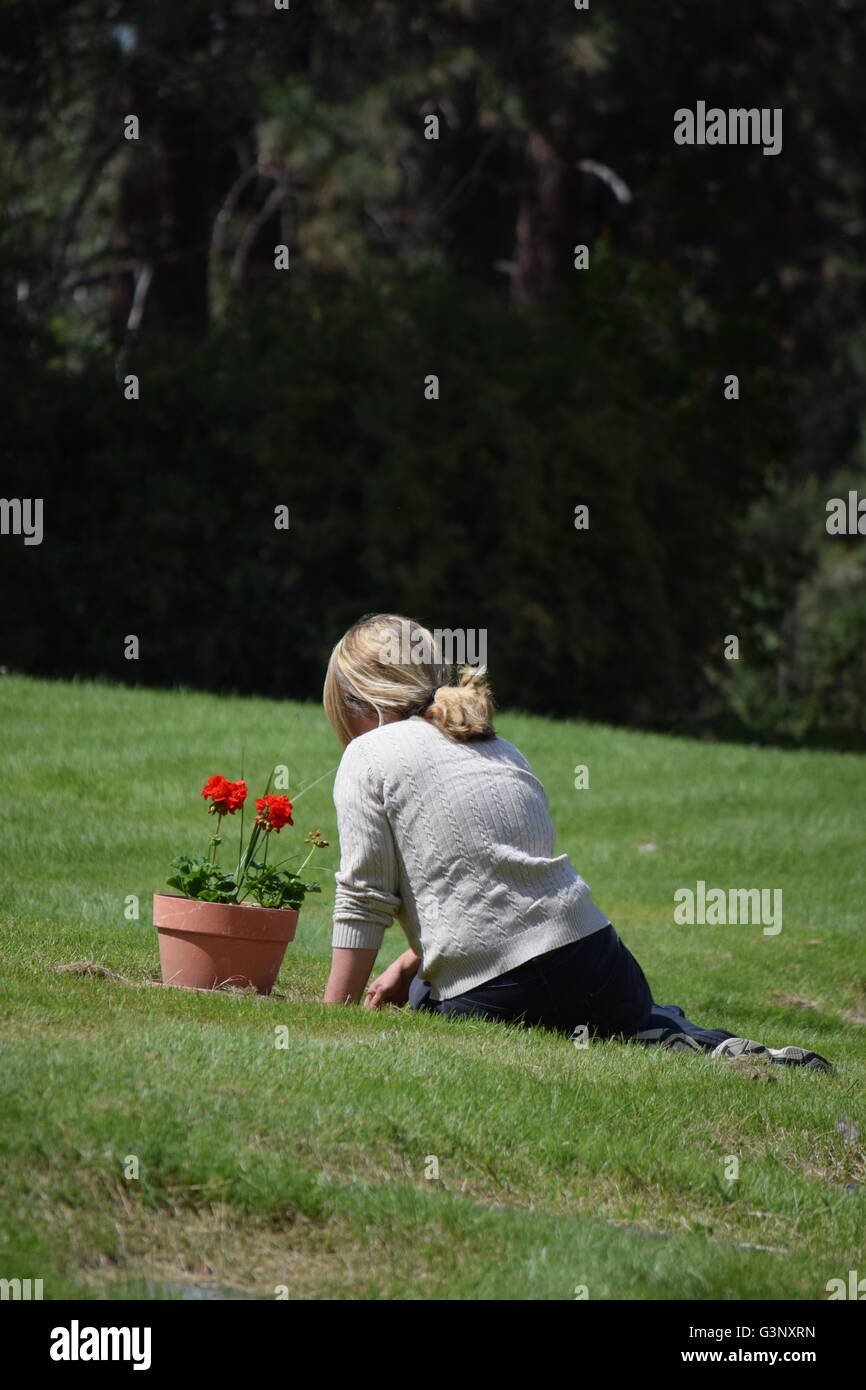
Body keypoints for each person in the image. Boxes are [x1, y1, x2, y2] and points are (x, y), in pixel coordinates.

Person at [321, 613, 832, 1072]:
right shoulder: (497, 746)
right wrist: (408, 961)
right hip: (599, 962)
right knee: (620, 1018)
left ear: (355, 700)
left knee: (425, 1002)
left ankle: (656, 1033)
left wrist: (335, 1016)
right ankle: (677, 1035)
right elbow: (499, 877)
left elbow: (364, 899)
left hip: (497, 992)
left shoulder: (368, 755)